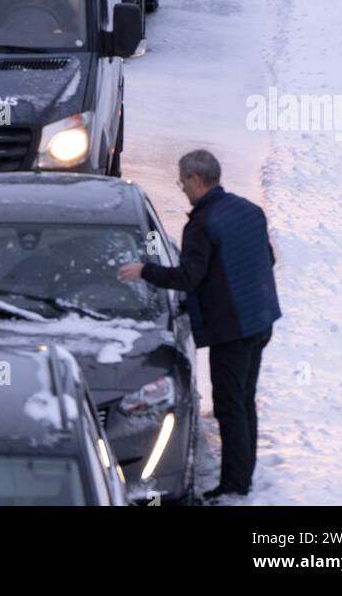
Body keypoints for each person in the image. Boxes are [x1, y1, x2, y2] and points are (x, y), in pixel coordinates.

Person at [118, 150, 280, 501]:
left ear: (195, 179)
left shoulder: (202, 225)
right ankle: (243, 476)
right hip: (261, 320)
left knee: (229, 406)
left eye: (181, 182)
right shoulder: (248, 210)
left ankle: (235, 485)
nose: (181, 189)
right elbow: (267, 257)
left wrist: (144, 271)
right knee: (244, 400)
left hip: (233, 329)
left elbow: (188, 277)